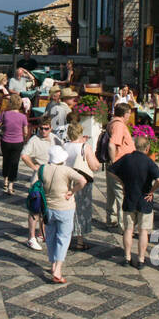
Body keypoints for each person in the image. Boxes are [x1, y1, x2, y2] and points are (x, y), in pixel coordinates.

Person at [109, 131, 159, 269]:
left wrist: (123, 183)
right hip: (145, 199)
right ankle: (141, 259)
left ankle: (127, 257)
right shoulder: (149, 161)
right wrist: (152, 191)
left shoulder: (127, 158)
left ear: (134, 146)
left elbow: (111, 170)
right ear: (147, 148)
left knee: (128, 229)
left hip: (130, 197)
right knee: (143, 231)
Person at [42, 146, 87, 284]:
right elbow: (83, 181)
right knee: (63, 237)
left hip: (48, 207)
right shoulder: (67, 170)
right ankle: (58, 267)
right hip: (65, 207)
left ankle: (52, 264)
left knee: (50, 236)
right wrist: (72, 191)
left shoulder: (43, 169)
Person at [63, 118, 102, 251]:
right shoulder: (85, 147)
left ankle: (65, 238)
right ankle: (80, 241)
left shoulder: (65, 146)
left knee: (68, 210)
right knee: (80, 210)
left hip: (67, 180)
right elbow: (95, 165)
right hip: (82, 181)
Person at [21, 119, 55, 249]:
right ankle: (31, 237)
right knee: (35, 207)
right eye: (41, 128)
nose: (43, 131)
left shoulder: (54, 138)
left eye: (46, 128)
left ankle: (42, 233)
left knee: (46, 206)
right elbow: (24, 155)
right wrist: (34, 167)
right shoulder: (34, 140)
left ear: (51, 128)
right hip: (39, 176)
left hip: (51, 175)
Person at [104, 102, 134, 228]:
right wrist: (114, 162)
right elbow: (112, 144)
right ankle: (123, 225)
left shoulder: (112, 122)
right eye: (129, 114)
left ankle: (111, 219)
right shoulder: (119, 126)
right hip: (119, 164)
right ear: (125, 114)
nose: (129, 117)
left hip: (113, 164)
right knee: (120, 194)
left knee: (111, 192)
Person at [0, 94, 29, 195]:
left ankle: (5, 180)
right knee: (14, 163)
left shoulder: (4, 114)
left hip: (5, 141)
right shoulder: (23, 117)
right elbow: (25, 132)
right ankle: (11, 185)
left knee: (6, 160)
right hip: (17, 142)